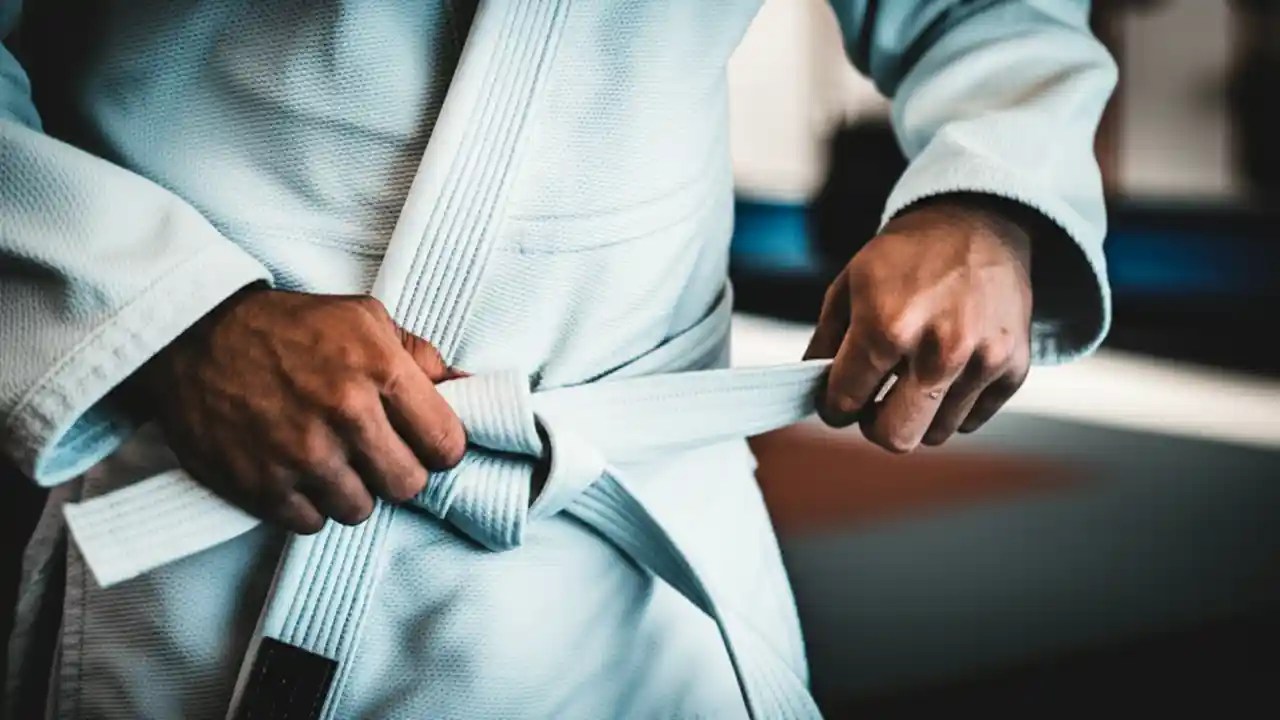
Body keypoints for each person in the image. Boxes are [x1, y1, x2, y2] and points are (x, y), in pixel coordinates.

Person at [0, 1, 1116, 717]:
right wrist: (173, 321)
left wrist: (988, 196)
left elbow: (987, 14)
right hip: (210, 529)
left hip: (634, 563)